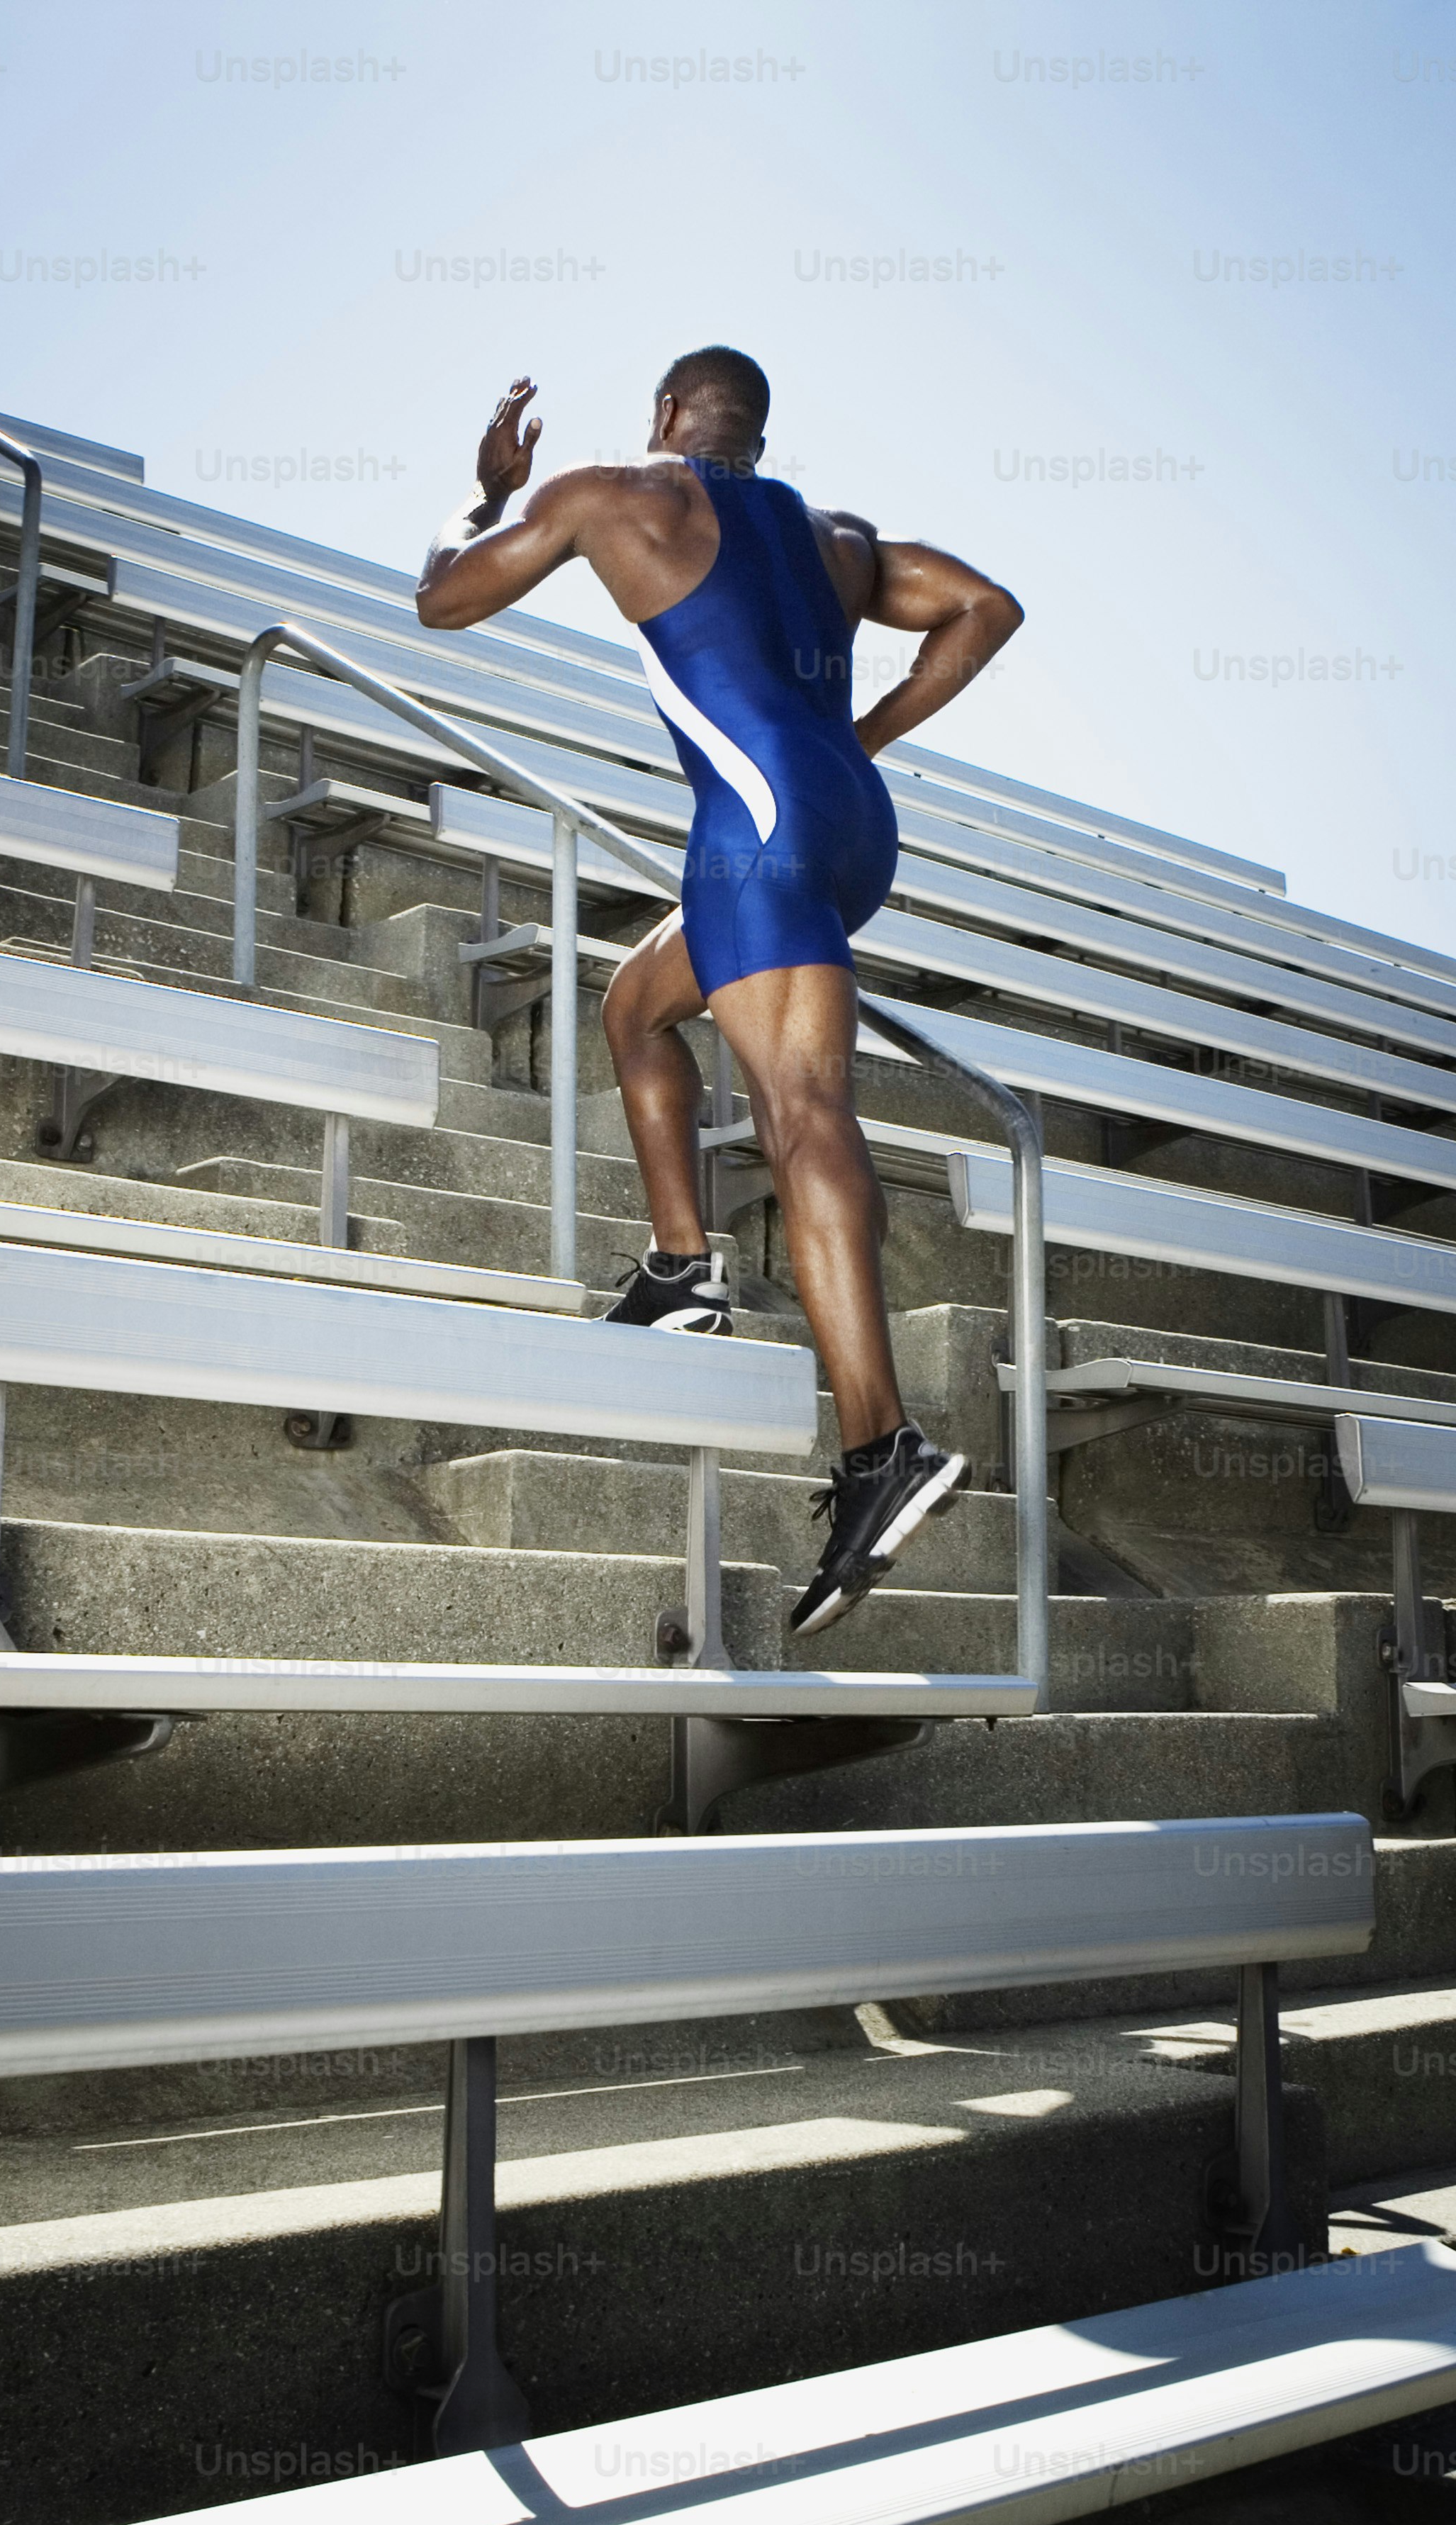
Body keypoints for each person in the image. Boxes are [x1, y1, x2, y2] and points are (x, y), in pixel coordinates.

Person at [415, 347, 1024, 1636]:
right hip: (848, 825)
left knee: (801, 1109)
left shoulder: (615, 493)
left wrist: (480, 497)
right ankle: (686, 1267)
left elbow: (443, 605)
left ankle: (881, 1449)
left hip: (751, 826)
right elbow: (986, 607)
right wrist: (861, 743)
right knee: (637, 1005)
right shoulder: (837, 539)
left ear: (670, 414)